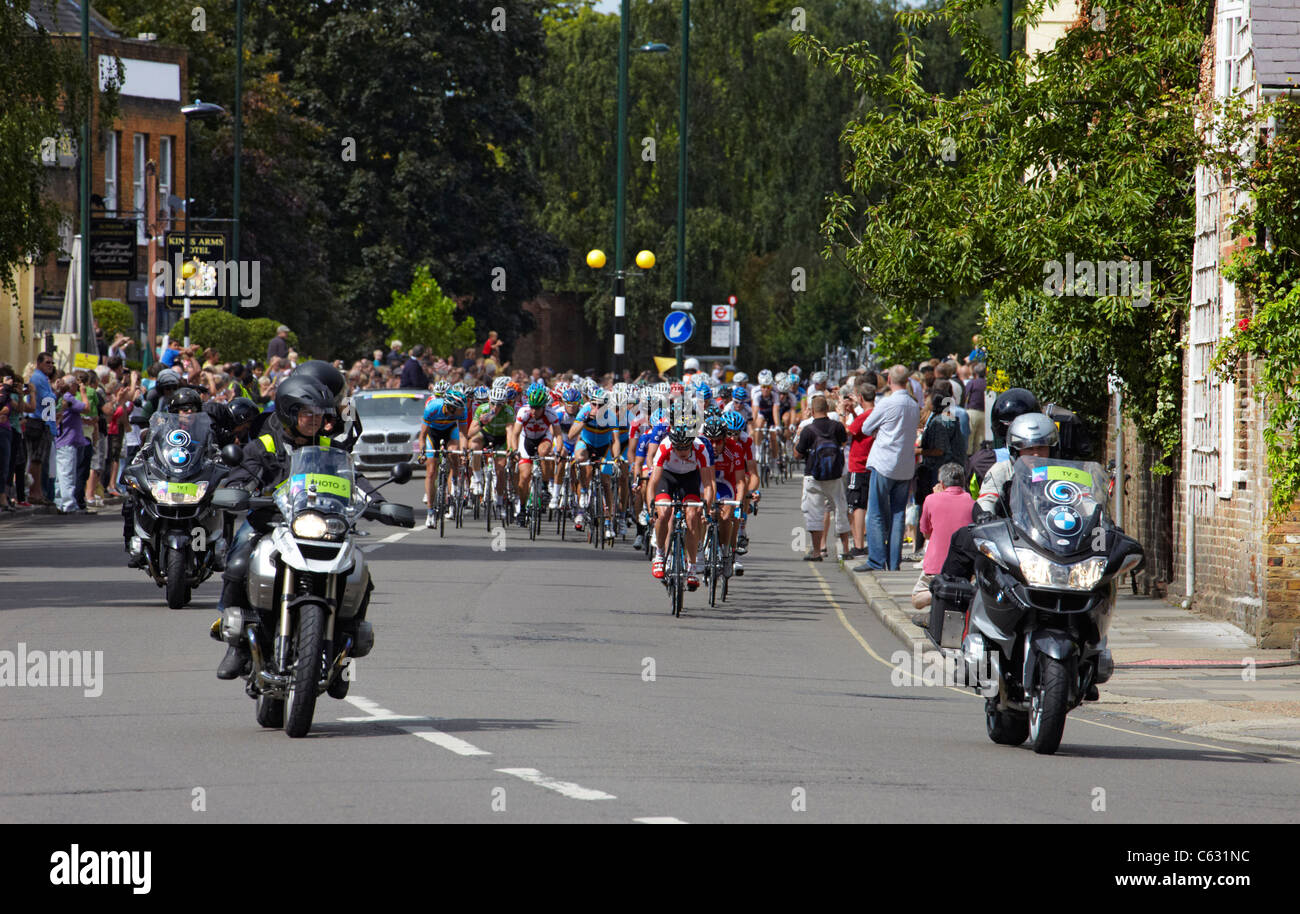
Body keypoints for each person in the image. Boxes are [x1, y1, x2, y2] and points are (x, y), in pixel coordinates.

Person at [214, 375, 339, 679]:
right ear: (289, 414)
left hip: (317, 524)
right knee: (240, 560)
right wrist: (240, 488)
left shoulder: (328, 447)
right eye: (307, 414)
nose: (314, 421)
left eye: (319, 415)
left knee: (355, 567)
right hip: (270, 522)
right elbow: (243, 471)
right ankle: (237, 644)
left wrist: (378, 501)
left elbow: (353, 480)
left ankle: (342, 651)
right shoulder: (266, 444)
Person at [854, 365, 920, 572]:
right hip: (905, 464)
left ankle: (875, 559)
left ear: (889, 379)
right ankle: (893, 562)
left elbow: (865, 427)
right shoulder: (913, 404)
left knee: (874, 513)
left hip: (884, 462)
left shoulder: (887, 403)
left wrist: (880, 433)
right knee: (898, 513)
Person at [974, 412, 1059, 521]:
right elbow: (987, 500)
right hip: (1014, 535)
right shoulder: (1003, 470)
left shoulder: (1060, 472)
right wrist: (986, 515)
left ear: (1051, 449)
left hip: (1056, 532)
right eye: (1029, 449)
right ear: (1016, 451)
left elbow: (1082, 501)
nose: (1036, 454)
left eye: (1042, 447)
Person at [794, 395, 850, 561]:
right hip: (835, 475)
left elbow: (797, 454)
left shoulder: (808, 430)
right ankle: (846, 550)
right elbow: (843, 443)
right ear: (827, 409)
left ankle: (817, 552)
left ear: (811, 411)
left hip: (813, 475)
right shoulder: (837, 426)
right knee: (840, 509)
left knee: (814, 513)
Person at [912, 462, 974, 609]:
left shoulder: (931, 499)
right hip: (963, 567)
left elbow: (926, 534)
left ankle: (939, 592)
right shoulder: (971, 502)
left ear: (941, 483)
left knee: (916, 599)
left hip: (936, 566)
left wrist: (936, 496)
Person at [844, 382, 876, 558]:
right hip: (870, 464)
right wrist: (855, 412)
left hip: (858, 465)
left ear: (861, 398)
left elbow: (846, 433)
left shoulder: (865, 416)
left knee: (857, 505)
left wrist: (842, 413)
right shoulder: (873, 413)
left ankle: (858, 545)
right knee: (866, 503)